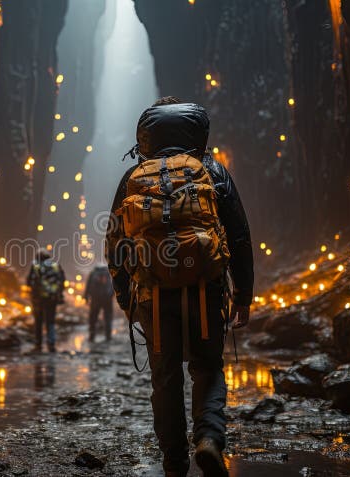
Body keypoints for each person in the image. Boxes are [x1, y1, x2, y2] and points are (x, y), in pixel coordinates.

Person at [105, 97, 253, 477]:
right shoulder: (212, 171)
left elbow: (116, 244)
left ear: (146, 137)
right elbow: (238, 236)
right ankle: (208, 439)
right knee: (207, 368)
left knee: (165, 377)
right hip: (206, 288)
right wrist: (243, 295)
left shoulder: (134, 179)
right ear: (197, 133)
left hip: (153, 293)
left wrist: (125, 298)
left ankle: (174, 464)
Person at [26, 249, 66, 352]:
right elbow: (62, 281)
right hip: (52, 299)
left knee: (38, 321)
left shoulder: (35, 266)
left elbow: (29, 282)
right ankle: (51, 344)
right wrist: (59, 294)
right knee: (51, 321)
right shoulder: (56, 266)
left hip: (38, 299)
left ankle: (38, 345)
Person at [83, 265, 115, 342]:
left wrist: (86, 297)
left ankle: (92, 335)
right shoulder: (108, 273)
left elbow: (88, 285)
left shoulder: (93, 273)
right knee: (108, 317)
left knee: (93, 317)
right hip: (107, 298)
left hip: (95, 298)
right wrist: (113, 295)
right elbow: (114, 285)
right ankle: (108, 335)